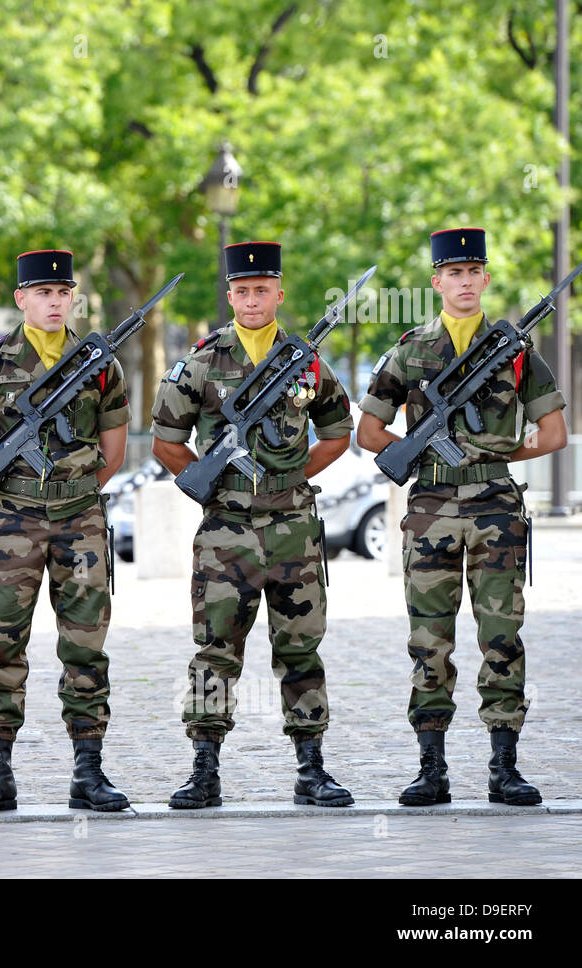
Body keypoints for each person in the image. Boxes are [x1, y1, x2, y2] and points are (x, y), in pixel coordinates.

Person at [357, 227, 567, 807]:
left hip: (497, 510)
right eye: (455, 273)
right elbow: (369, 431)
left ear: (486, 279)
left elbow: (553, 433)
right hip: (429, 512)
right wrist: (419, 448)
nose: (465, 282)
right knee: (429, 640)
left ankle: (504, 769)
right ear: (437, 282)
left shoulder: (518, 350)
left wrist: (499, 455)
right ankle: (432, 770)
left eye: (474, 272)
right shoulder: (410, 350)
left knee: (502, 637)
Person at [151, 241, 355, 808]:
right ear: (230, 295)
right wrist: (213, 483)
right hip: (227, 533)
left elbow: (339, 432)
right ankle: (204, 770)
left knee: (300, 650)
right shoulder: (202, 361)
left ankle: (311, 771)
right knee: (215, 651)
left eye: (261, 290)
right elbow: (167, 441)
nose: (251, 299)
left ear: (278, 293)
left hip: (293, 527)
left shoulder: (305, 361)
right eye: (241, 291)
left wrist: (290, 476)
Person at [0, 249, 130, 813]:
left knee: (85, 644)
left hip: (80, 521)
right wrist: (17, 502)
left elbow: (113, 453)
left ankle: (88, 772)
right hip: (12, 525)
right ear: (21, 299)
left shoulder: (100, 364)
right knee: (1, 643)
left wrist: (67, 494)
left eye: (63, 292)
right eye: (43, 293)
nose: (54, 302)